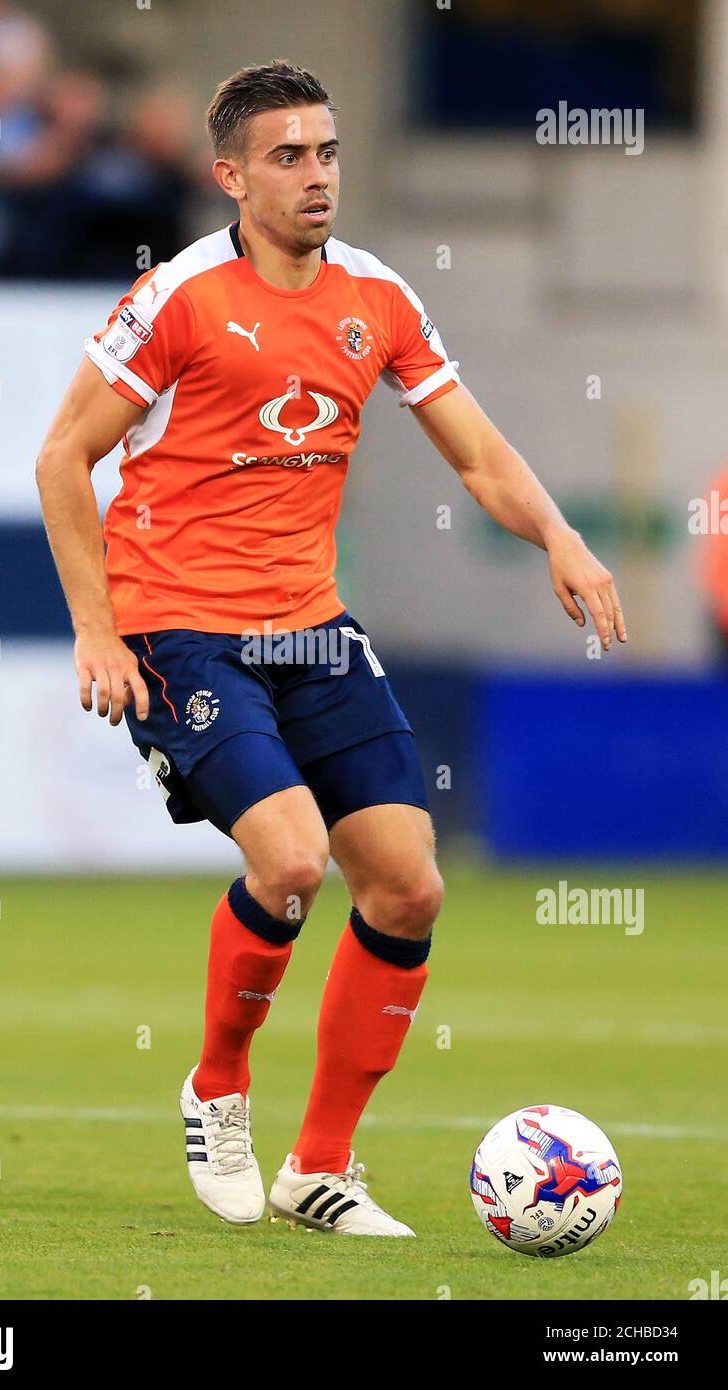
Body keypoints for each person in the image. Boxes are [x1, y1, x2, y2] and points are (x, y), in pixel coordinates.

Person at [36, 60, 627, 1237]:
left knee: (408, 886)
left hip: (310, 627)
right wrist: (97, 628)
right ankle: (215, 1084)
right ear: (229, 176)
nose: (317, 177)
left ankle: (318, 1166)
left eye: (328, 152)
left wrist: (559, 534)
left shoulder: (379, 296)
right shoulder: (179, 300)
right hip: (180, 627)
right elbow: (62, 458)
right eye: (288, 157)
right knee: (293, 859)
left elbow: (475, 455)